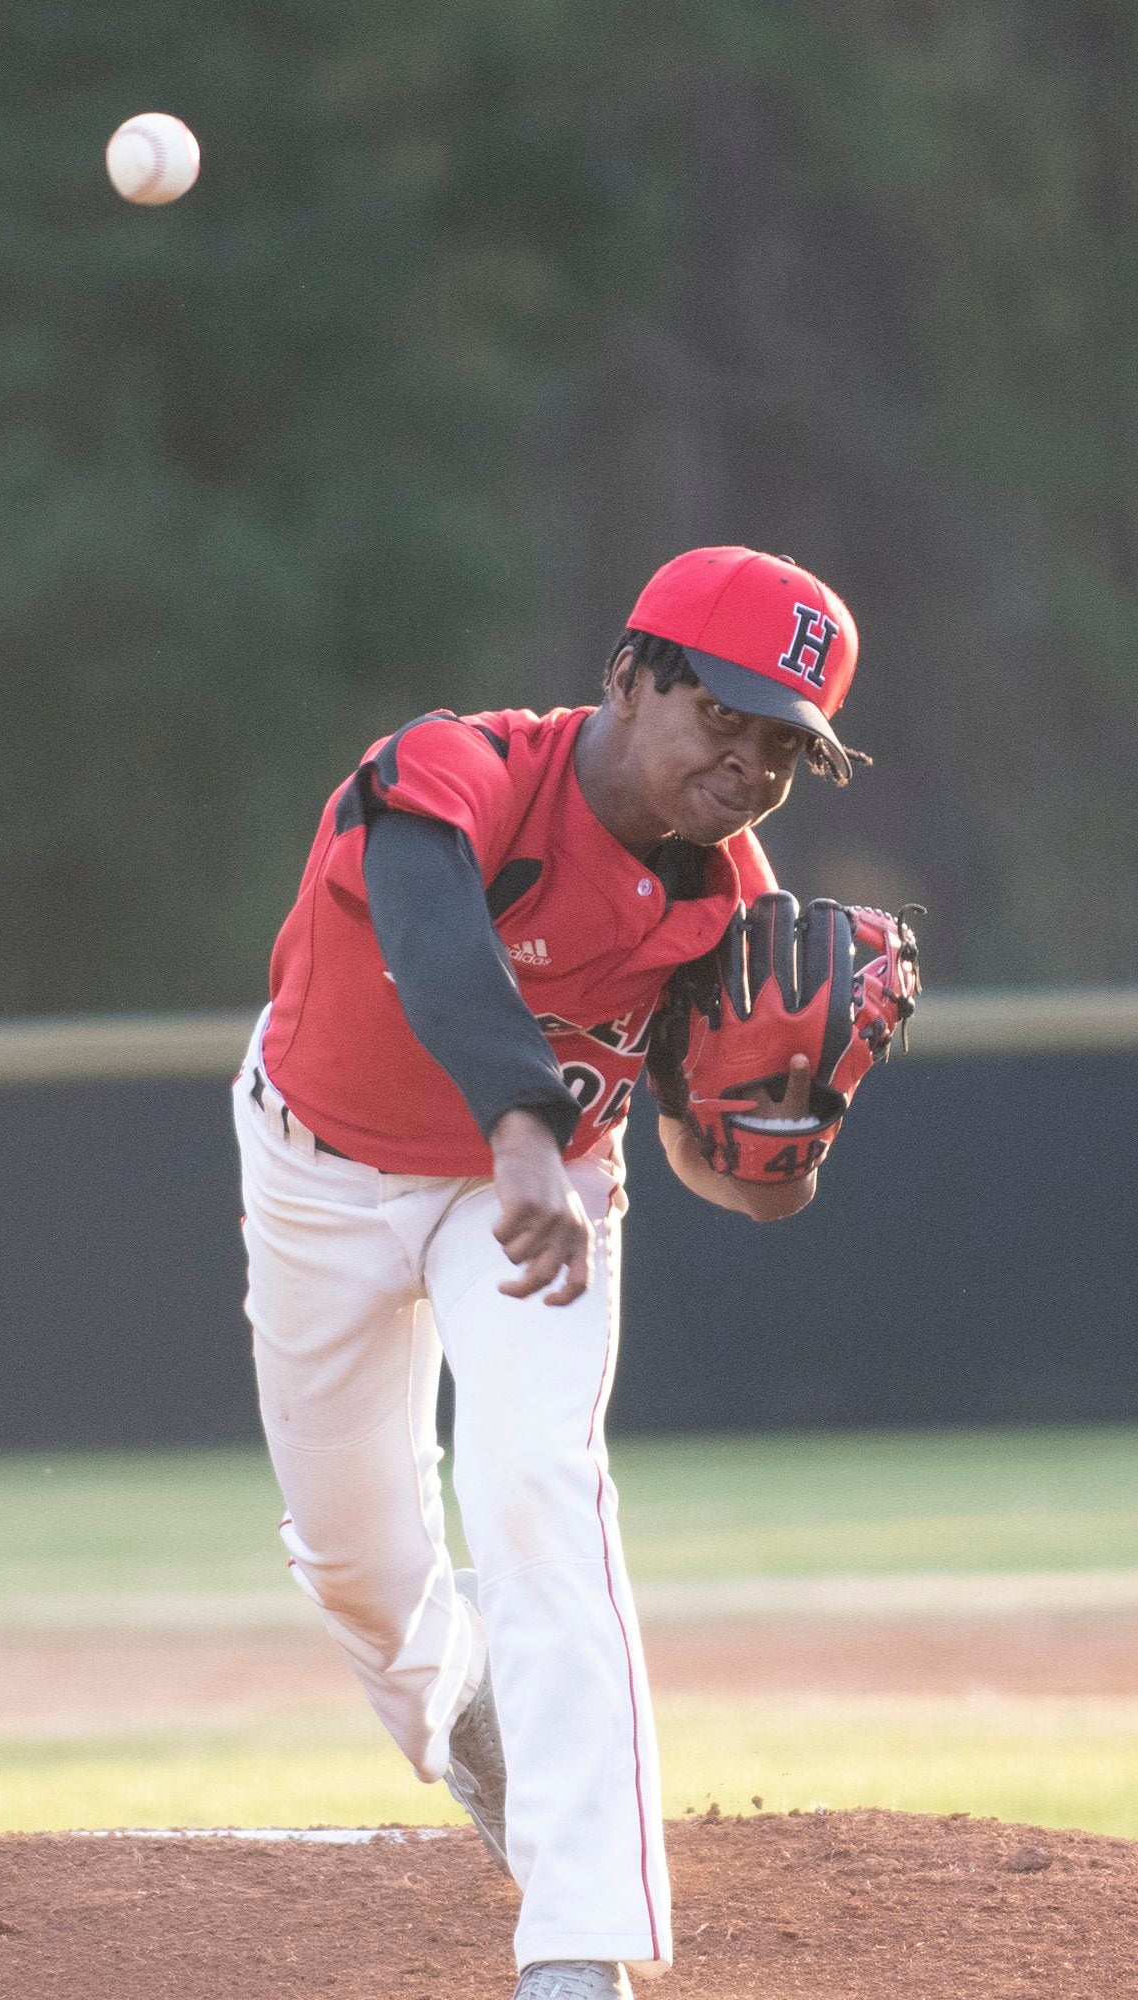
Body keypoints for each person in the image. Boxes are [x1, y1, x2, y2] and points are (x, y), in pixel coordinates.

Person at [232, 545, 865, 2000]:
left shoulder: (733, 899)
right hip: (323, 1174)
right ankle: (466, 1705)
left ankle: (578, 1945)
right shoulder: (457, 772)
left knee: (539, 1492)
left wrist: (779, 1151)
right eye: (724, 715)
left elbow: (712, 1161)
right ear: (630, 676)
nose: (750, 764)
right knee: (355, 1567)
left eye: (785, 746)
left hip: (539, 1202)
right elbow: (430, 930)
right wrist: (519, 1118)